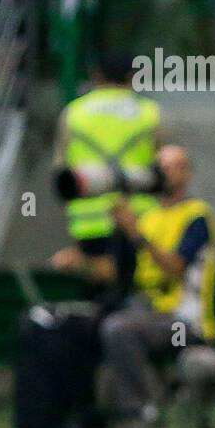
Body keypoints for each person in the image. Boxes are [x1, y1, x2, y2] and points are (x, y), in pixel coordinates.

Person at [98, 145, 215, 428]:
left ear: (188, 174)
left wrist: (136, 233)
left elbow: (175, 268)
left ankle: (143, 412)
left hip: (186, 322)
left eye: (175, 166)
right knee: (98, 322)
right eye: (161, 166)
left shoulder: (197, 216)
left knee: (119, 330)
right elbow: (113, 272)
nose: (166, 172)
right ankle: (97, 416)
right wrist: (81, 263)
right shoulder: (150, 216)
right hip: (149, 313)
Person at [50, 52, 161, 308]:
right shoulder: (149, 113)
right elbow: (161, 168)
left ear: (95, 76)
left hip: (89, 221)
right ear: (133, 76)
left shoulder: (74, 112)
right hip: (138, 220)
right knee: (136, 294)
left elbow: (60, 170)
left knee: (96, 298)